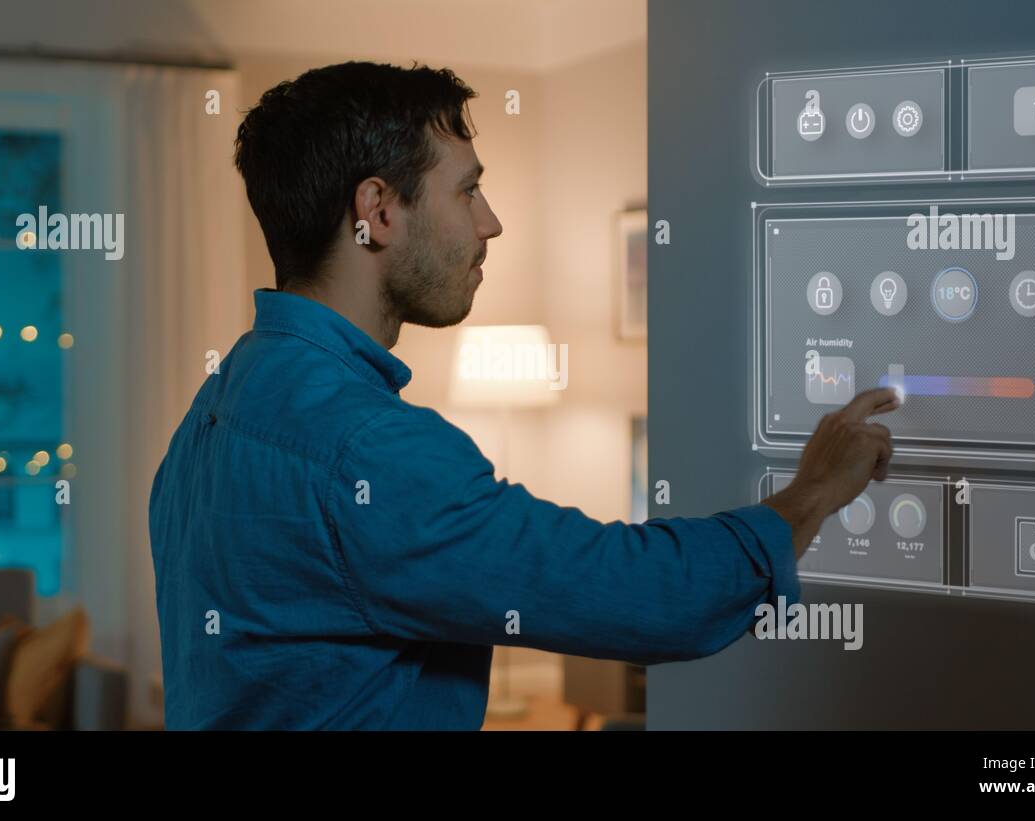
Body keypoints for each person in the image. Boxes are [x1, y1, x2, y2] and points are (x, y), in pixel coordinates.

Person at [148, 61, 898, 729]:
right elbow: (635, 592)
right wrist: (811, 493)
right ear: (377, 212)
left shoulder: (214, 408)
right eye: (468, 189)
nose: (490, 222)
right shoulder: (369, 452)